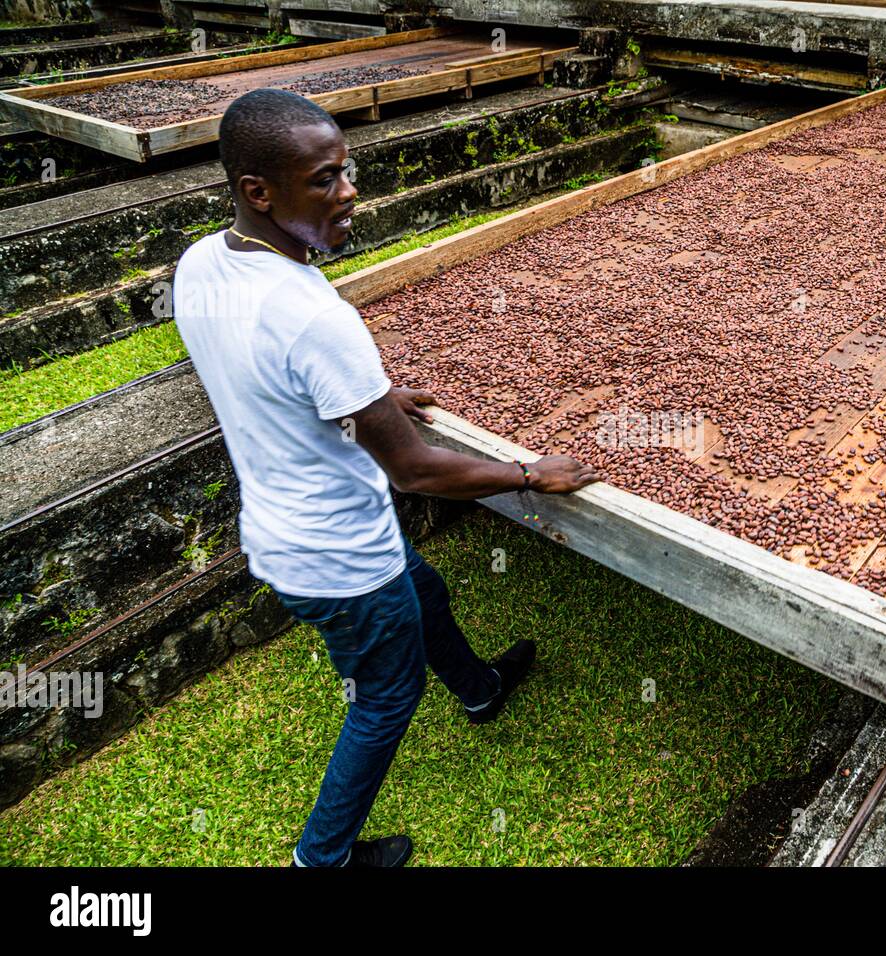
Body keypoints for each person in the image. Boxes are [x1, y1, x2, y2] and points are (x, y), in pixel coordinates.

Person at [173, 88, 599, 868]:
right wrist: (528, 474)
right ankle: (321, 860)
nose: (350, 192)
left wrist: (366, 402)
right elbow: (415, 469)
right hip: (338, 558)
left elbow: (259, 374)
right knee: (383, 702)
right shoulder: (313, 313)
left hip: (278, 532)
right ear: (257, 192)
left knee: (425, 591)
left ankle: (479, 690)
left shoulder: (202, 264)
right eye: (324, 180)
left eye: (347, 171)